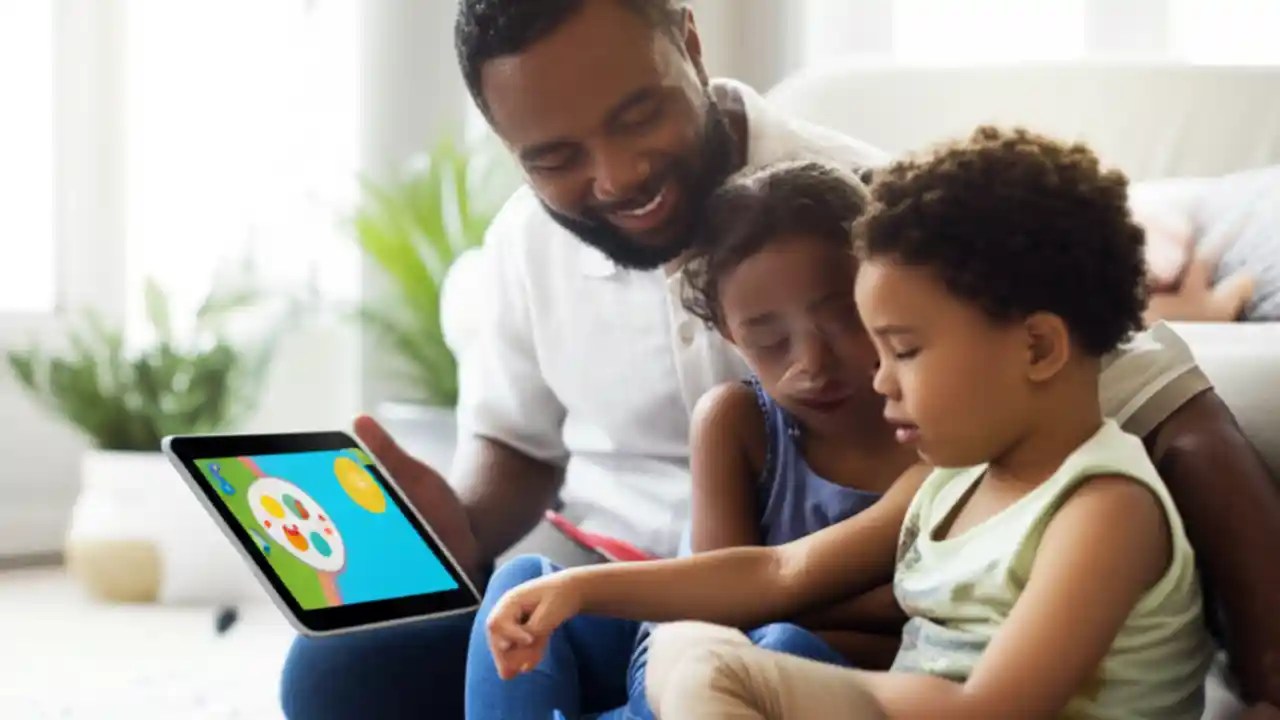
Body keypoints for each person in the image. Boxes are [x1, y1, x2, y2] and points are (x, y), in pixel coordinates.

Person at [280, 2, 1280, 718]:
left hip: (815, 635)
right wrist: (454, 525)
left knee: (754, 663)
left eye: (635, 116)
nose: (615, 176)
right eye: (554, 156)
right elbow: (514, 451)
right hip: (625, 583)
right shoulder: (521, 244)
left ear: (686, 39)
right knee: (335, 674)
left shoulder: (875, 216)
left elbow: (1163, 403)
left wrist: (1270, 675)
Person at [486, 127, 1216, 720]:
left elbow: (994, 708)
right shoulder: (948, 484)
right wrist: (582, 591)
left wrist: (789, 687)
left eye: (902, 349)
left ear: (1037, 346)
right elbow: (779, 571)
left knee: (708, 665)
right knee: (692, 656)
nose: (879, 377)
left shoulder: (1105, 510)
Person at [467, 162, 920, 719]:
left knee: (781, 647)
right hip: (683, 654)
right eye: (769, 339)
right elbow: (722, 612)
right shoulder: (738, 420)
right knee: (523, 586)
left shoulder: (935, 436)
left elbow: (891, 616)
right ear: (730, 334)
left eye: (844, 320)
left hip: (793, 680)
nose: (811, 364)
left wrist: (795, 615)